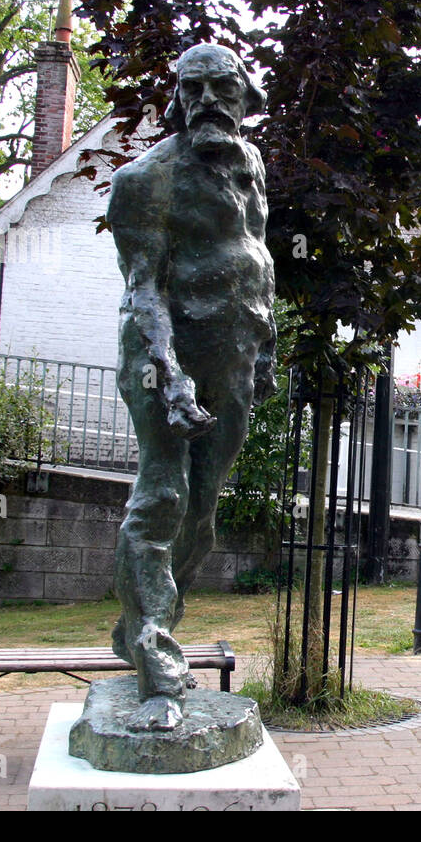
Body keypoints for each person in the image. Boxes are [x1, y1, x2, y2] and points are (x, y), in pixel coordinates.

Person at [106, 44, 277, 730]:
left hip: (232, 357)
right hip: (163, 359)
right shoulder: (144, 179)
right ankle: (160, 675)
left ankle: (141, 619)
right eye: (193, 87)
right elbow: (141, 289)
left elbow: (256, 259)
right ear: (178, 98)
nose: (208, 99)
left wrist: (264, 351)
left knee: (202, 515)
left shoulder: (252, 163)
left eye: (222, 87)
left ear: (244, 97)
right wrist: (169, 375)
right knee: (162, 498)